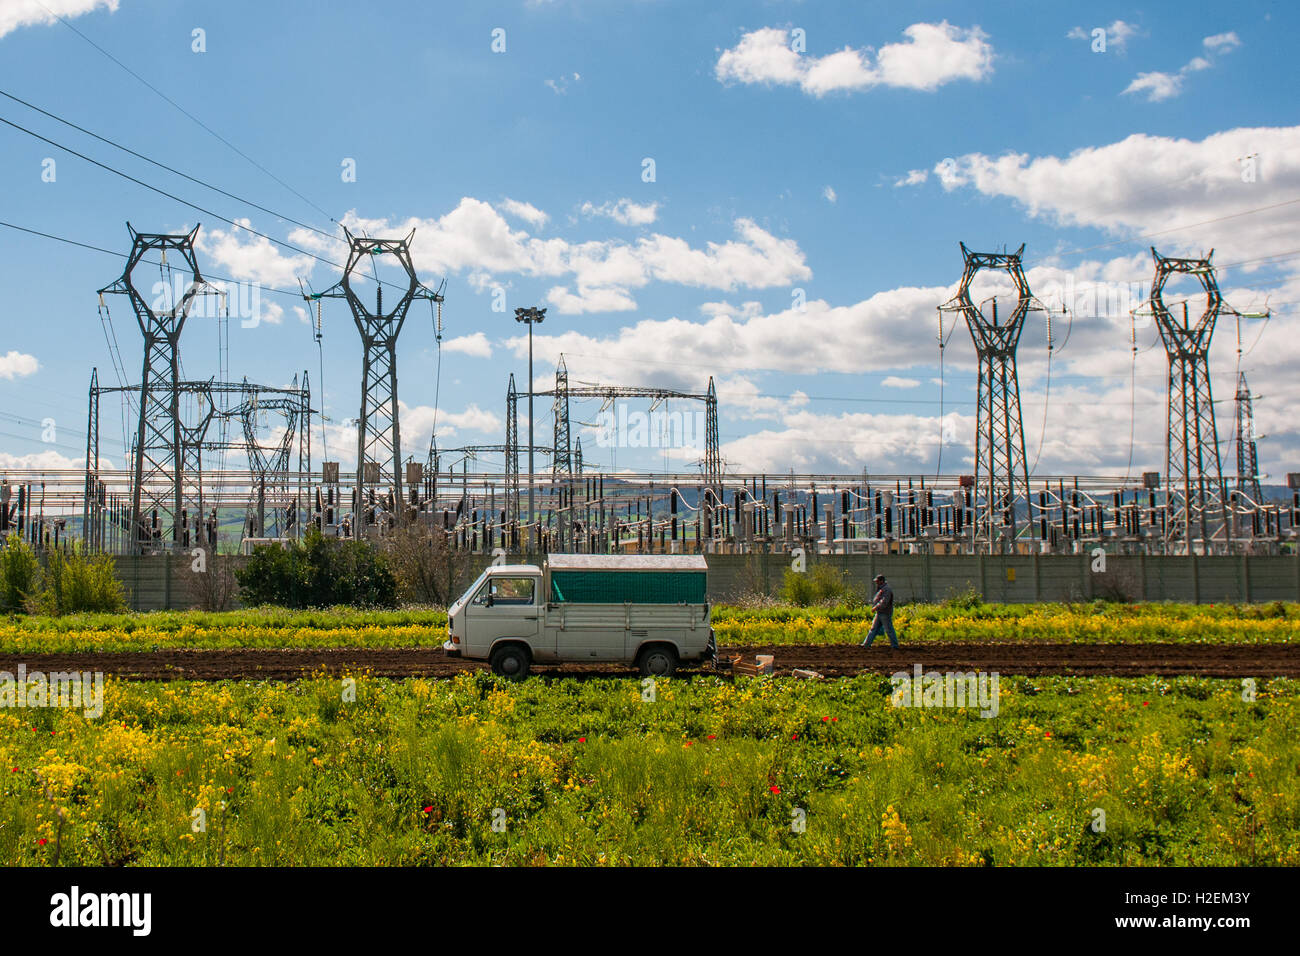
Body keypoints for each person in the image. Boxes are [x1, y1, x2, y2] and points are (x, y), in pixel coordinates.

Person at [862, 574, 898, 649]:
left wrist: (875, 607)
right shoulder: (882, 588)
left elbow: (884, 602)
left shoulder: (887, 589)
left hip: (885, 612)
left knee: (889, 629)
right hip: (879, 612)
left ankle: (895, 645)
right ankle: (866, 644)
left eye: (877, 581)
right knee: (873, 628)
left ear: (882, 581)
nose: (876, 583)